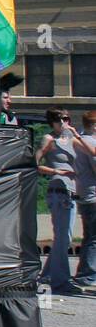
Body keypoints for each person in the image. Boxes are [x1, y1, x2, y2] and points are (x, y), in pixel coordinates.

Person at [37, 107, 81, 294]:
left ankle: (48, 275)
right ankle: (60, 281)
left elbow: (90, 152)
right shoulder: (49, 139)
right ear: (53, 122)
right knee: (63, 237)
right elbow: (36, 163)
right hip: (58, 189)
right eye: (61, 120)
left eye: (67, 119)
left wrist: (75, 134)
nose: (64, 123)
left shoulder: (72, 139)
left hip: (72, 190)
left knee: (65, 237)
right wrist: (56, 171)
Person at [69, 110, 96, 292]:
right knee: (93, 238)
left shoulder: (79, 141)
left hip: (84, 193)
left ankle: (84, 273)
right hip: (94, 194)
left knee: (89, 236)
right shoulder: (91, 143)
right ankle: (88, 275)